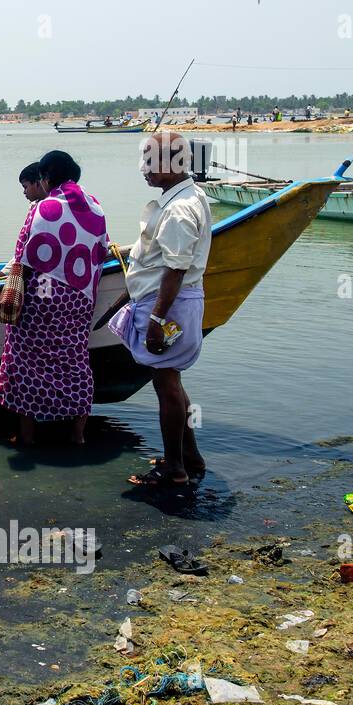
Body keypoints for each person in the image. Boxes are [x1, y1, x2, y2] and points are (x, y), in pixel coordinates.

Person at [109, 132, 211, 487]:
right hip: (167, 301)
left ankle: (175, 468)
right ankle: (190, 458)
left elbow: (176, 269)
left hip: (167, 306)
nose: (145, 172)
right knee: (170, 383)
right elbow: (161, 255)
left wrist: (155, 319)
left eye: (151, 165)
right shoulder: (188, 196)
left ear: (172, 165)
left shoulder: (180, 209)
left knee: (166, 386)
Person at [0, 151, 110, 446]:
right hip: (80, 299)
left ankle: (27, 435)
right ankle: (77, 435)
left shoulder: (43, 208)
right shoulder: (95, 206)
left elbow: (23, 255)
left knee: (26, 360)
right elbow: (102, 250)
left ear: (45, 177)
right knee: (75, 361)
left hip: (42, 299)